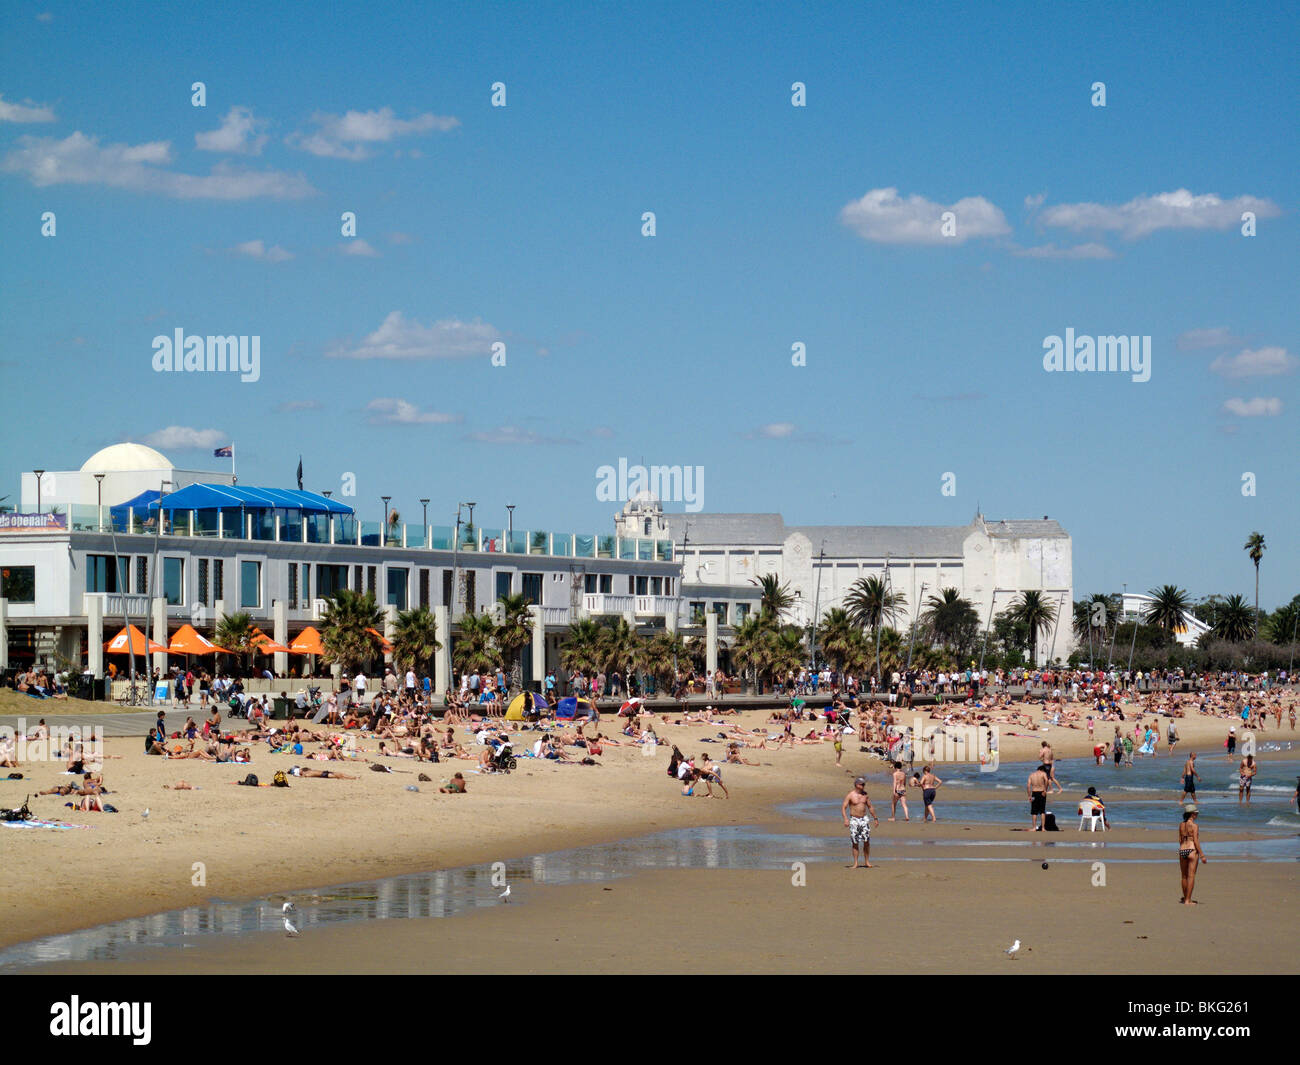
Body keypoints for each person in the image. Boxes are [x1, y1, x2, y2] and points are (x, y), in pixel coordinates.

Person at [840, 777, 879, 869]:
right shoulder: (850, 795)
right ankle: (856, 863)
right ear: (857, 785)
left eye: (864, 784)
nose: (863, 786)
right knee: (855, 842)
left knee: (866, 841)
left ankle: (867, 862)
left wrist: (875, 818)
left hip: (864, 819)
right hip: (854, 820)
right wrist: (846, 819)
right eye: (862, 784)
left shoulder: (865, 795)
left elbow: (870, 807)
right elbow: (843, 807)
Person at [1178, 805, 1207, 904]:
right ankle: (1187, 900)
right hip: (1192, 849)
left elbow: (1180, 840)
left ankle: (1186, 897)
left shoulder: (1181, 825)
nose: (1197, 815)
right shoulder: (1195, 826)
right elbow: (1196, 841)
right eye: (1196, 813)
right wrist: (1202, 855)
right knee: (1191, 876)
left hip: (1182, 850)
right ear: (1192, 814)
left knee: (1184, 876)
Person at [1027, 764, 1049, 831]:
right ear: (1042, 770)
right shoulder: (1043, 773)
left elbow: (1028, 786)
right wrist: (1045, 790)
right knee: (1042, 811)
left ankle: (1034, 828)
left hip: (1034, 793)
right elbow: (1047, 781)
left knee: (1034, 812)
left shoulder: (1031, 775)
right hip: (1042, 792)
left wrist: (1029, 796)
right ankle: (1043, 828)